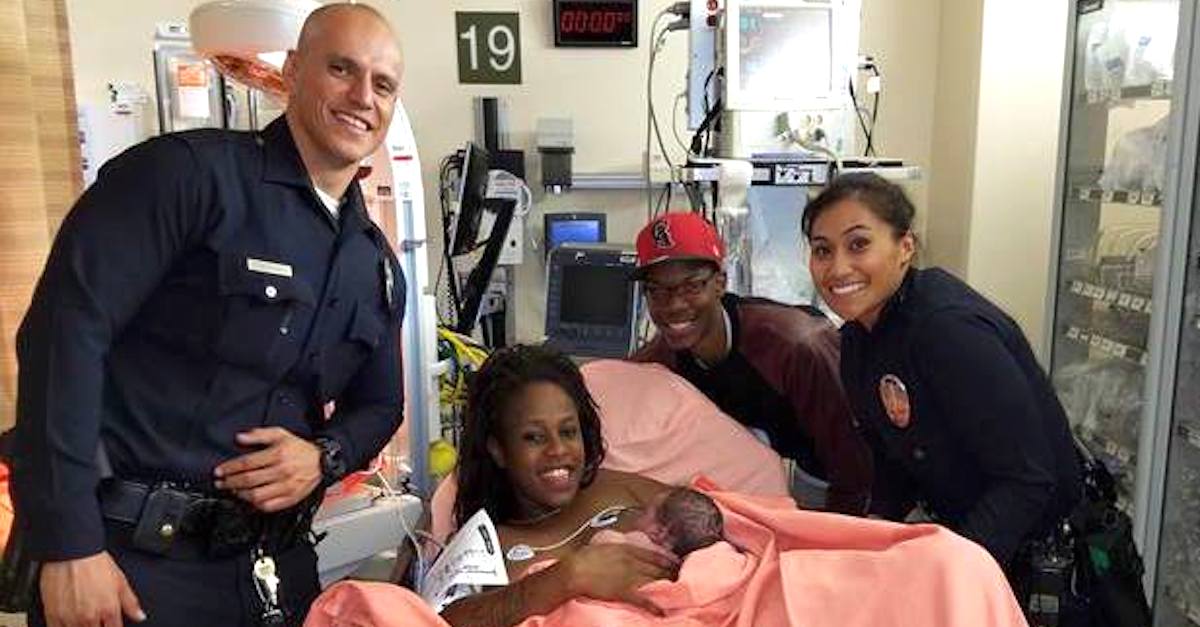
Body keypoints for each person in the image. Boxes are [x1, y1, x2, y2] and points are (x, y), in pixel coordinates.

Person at [12, 4, 406, 626]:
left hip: (270, 572)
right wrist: (68, 543)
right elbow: (63, 337)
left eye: (382, 84)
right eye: (341, 69)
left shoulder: (376, 264)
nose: (363, 97)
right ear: (295, 72)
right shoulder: (185, 177)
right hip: (131, 567)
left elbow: (381, 405)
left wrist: (323, 456)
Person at [801, 172, 1083, 576]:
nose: (838, 267)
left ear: (905, 247)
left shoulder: (947, 330)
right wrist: (874, 534)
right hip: (965, 537)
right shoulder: (859, 342)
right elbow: (892, 458)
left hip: (1037, 556)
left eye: (859, 244)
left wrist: (948, 574)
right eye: (822, 250)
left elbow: (1028, 479)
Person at [629, 212, 872, 515]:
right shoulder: (658, 363)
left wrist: (839, 541)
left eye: (692, 286)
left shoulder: (798, 347)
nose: (674, 305)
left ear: (720, 283)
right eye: (657, 291)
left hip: (830, 481)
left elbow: (857, 460)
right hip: (746, 491)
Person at [441, 345, 681, 626]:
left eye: (568, 432)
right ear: (499, 450)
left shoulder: (618, 489)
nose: (557, 450)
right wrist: (566, 578)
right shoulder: (487, 542)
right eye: (533, 437)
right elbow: (439, 620)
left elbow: (711, 522)